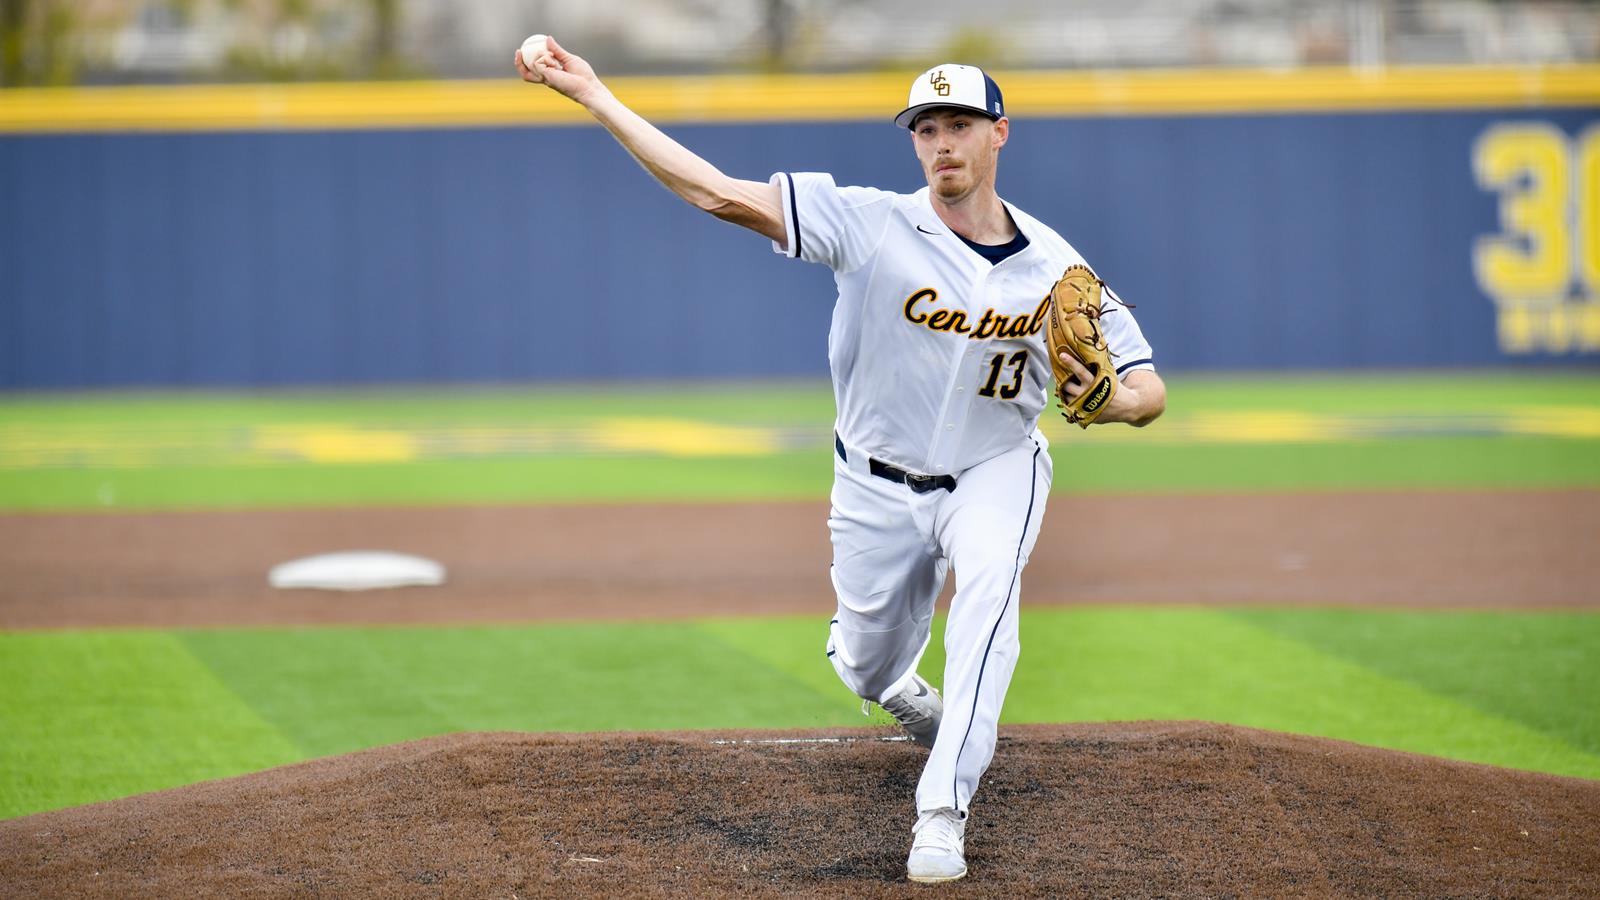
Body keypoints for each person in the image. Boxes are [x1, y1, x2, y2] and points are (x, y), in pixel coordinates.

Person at [516, 41, 1166, 884]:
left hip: (996, 467)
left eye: (960, 125)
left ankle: (942, 812)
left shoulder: (1055, 266)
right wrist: (597, 95)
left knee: (987, 611)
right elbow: (716, 192)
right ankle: (894, 686)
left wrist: (1115, 404)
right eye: (926, 128)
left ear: (999, 133)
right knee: (867, 664)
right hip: (873, 481)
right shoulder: (869, 223)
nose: (942, 143)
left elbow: (1147, 386)